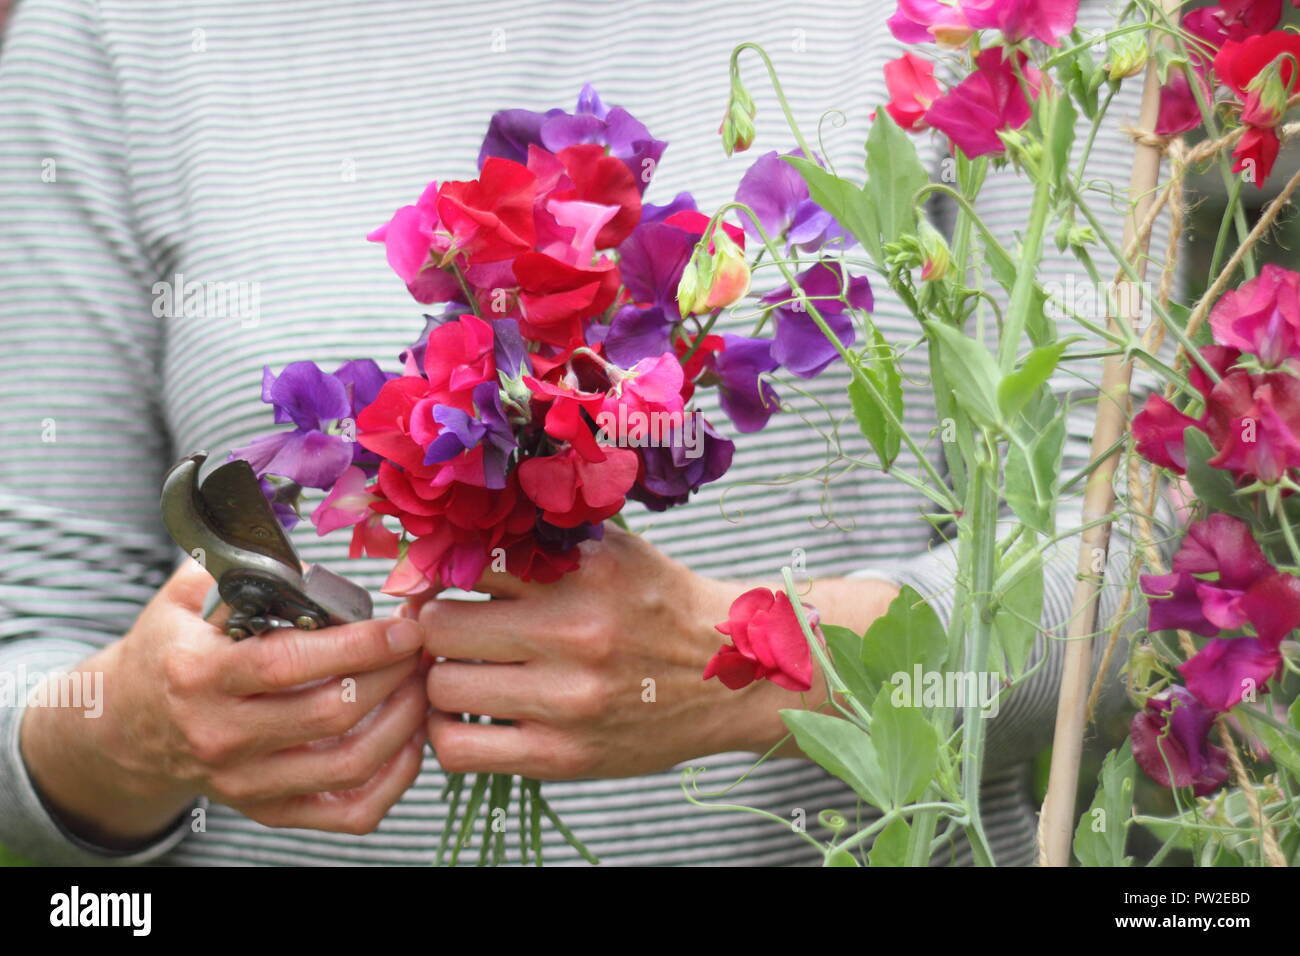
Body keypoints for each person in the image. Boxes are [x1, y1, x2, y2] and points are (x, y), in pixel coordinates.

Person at [0, 0, 1150, 865]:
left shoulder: (983, 23)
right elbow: (31, 650)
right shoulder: (119, 28)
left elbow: (1128, 591)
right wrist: (141, 733)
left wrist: (743, 664)